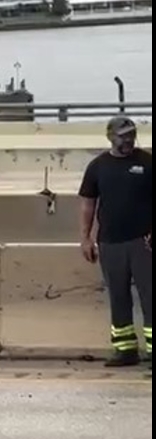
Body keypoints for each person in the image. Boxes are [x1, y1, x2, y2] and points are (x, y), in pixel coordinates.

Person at [77, 116, 152, 368]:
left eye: (131, 134)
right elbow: (88, 203)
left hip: (144, 242)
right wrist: (85, 238)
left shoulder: (147, 162)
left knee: (150, 296)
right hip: (109, 242)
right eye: (123, 135)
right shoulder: (98, 166)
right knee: (118, 296)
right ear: (110, 136)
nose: (129, 139)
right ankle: (125, 349)